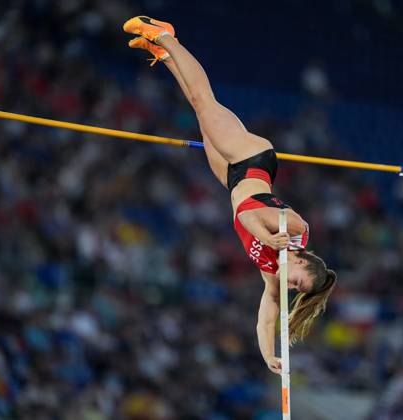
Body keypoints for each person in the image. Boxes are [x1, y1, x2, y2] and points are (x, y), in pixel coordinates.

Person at [123, 16, 337, 374]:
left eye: (295, 289)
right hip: (251, 159)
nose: (290, 285)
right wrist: (272, 237)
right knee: (202, 98)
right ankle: (165, 35)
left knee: (197, 108)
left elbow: (265, 320)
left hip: (230, 177)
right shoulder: (294, 229)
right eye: (297, 281)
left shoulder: (273, 273)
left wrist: (268, 354)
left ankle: (160, 53)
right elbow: (247, 216)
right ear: (302, 262)